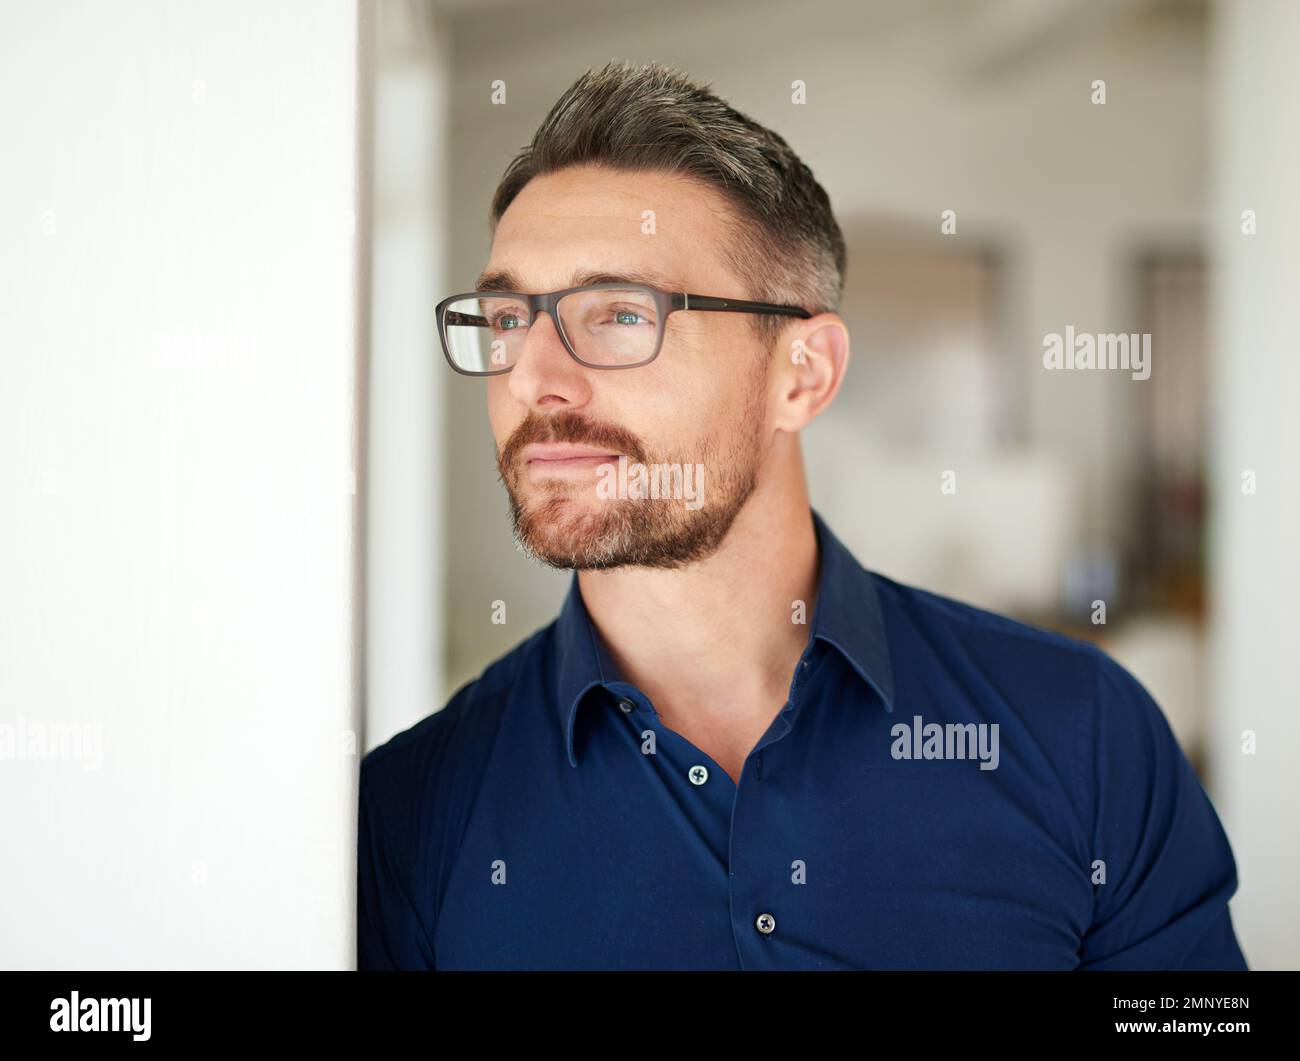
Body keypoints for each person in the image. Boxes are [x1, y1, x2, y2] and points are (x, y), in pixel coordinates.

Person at [357, 60, 1247, 971]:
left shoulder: (1085, 733)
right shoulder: (412, 812)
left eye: (619, 313)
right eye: (507, 317)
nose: (532, 378)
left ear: (803, 374)